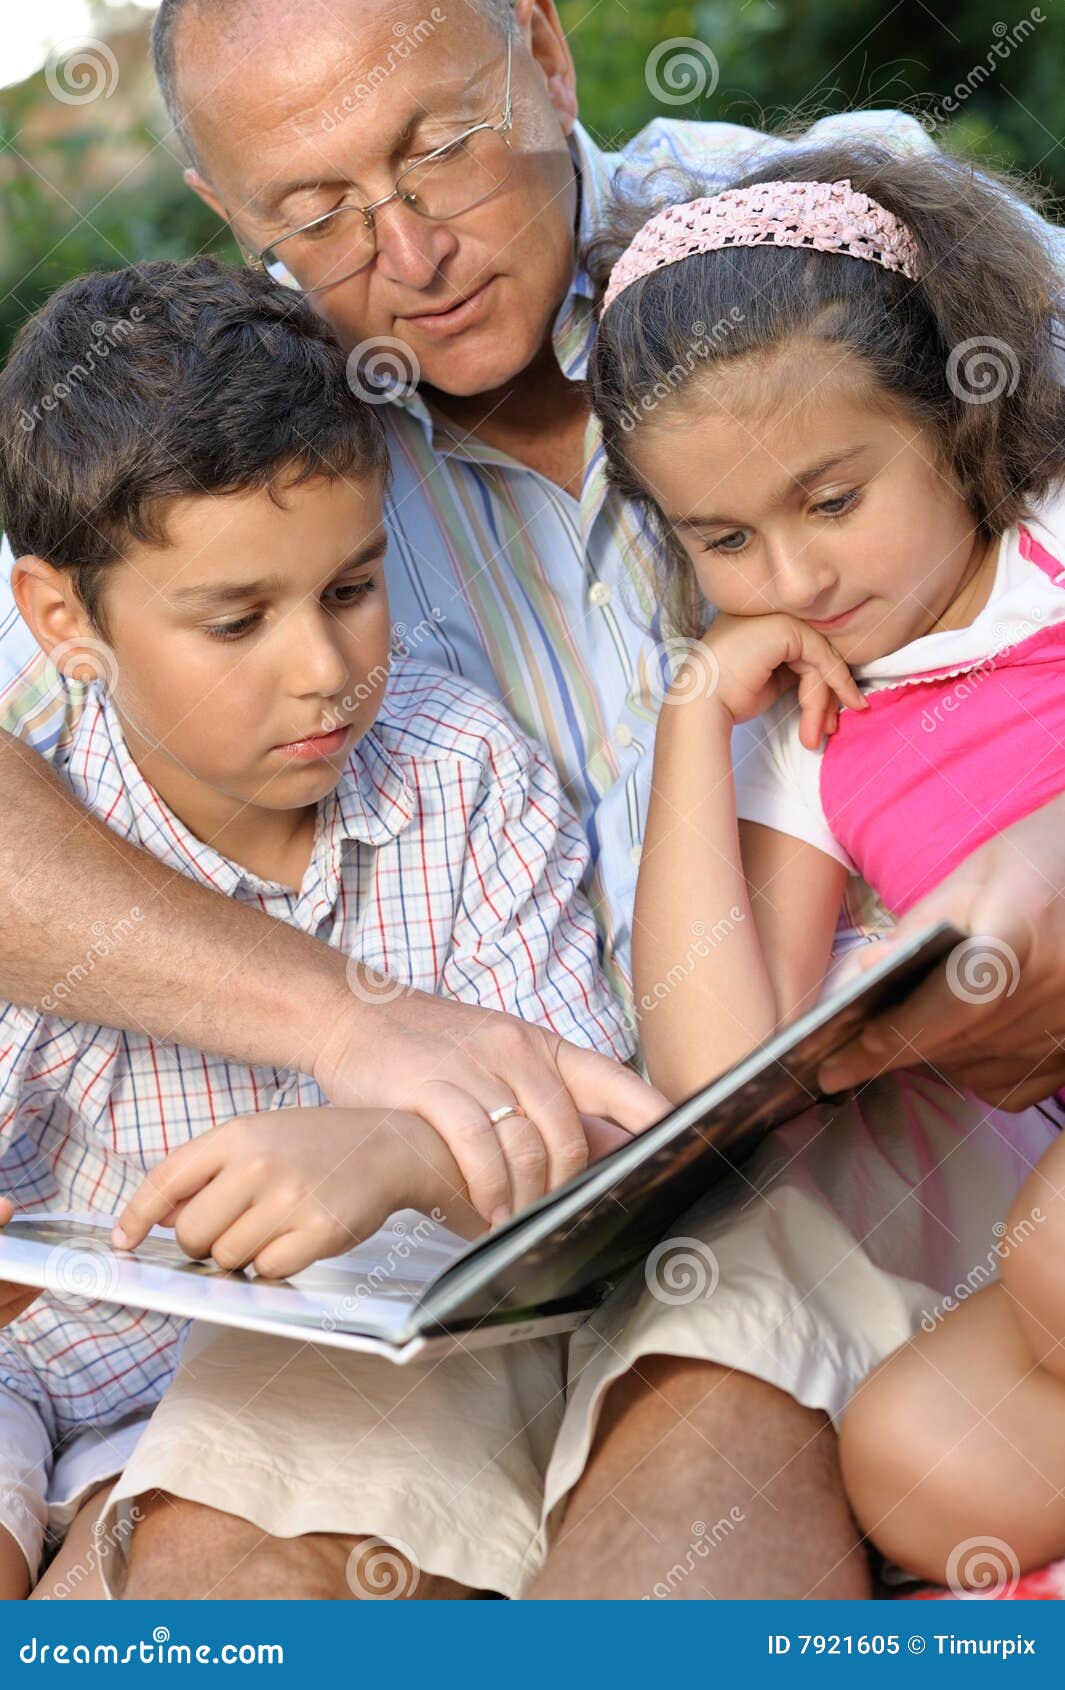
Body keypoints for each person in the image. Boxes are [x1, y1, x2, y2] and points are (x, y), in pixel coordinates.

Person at [2, 0, 1064, 1602]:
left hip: (822, 1164)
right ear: (230, 212)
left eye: (439, 148)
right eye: (314, 212)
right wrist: (349, 1027)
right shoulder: (243, 439)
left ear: (548, 57)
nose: (408, 250)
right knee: (232, 1545)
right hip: (439, 1230)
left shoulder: (811, 252)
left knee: (697, 1445)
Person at [0, 256, 654, 1600]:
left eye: (351, 589)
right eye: (237, 619)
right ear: (65, 620)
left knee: (178, 1603)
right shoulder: (46, 815)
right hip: (27, 1360)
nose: (324, 670)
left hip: (299, 1387)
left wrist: (413, 1150)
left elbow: (602, 1159)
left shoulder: (458, 775)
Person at [584, 142, 1065, 1585]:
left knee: (1047, 1261)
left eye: (832, 499)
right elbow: (714, 1063)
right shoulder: (813, 730)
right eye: (723, 538)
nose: (790, 579)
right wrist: (691, 726)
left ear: (952, 411)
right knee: (922, 1457)